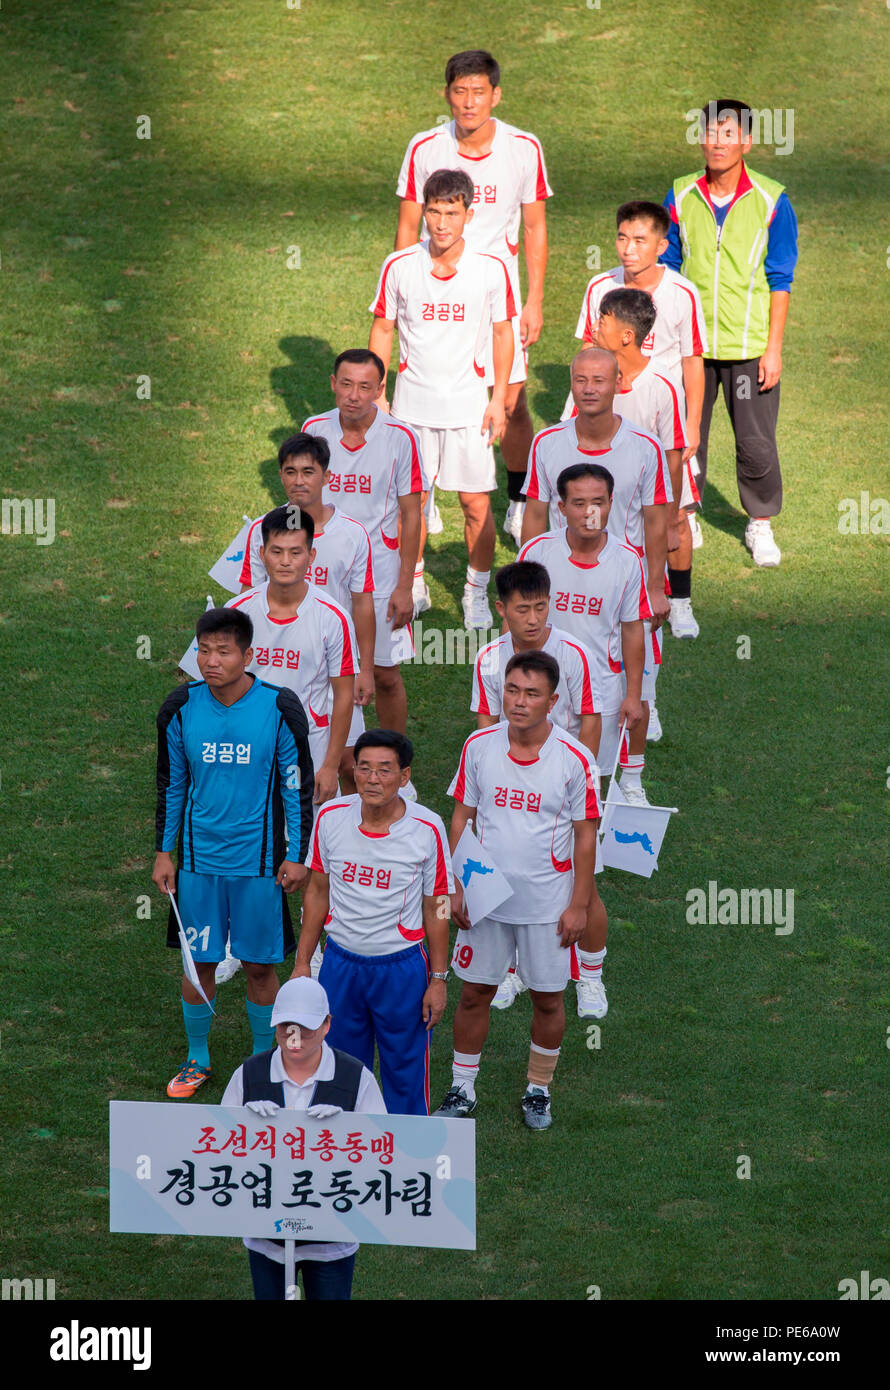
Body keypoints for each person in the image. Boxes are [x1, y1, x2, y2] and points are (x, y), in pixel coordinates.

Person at [153, 606, 314, 1097]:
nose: (211, 661)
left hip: (260, 867)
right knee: (197, 963)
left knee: (260, 966)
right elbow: (171, 784)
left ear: (249, 655)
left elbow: (297, 787)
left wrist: (298, 854)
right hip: (200, 868)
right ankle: (196, 1057)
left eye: (223, 652)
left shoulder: (278, 707)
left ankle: (263, 1064)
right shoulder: (180, 707)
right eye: (203, 650)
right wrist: (165, 852)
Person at [394, 48, 552, 548]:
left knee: (512, 401)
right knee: (429, 392)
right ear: (447, 95)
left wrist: (536, 301)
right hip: (436, 291)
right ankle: (429, 495)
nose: (468, 102)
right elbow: (406, 228)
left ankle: (519, 496)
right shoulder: (424, 148)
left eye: (478, 92)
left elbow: (535, 226)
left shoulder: (524, 148)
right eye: (459, 92)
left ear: (496, 95)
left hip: (497, 299)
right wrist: (401, 298)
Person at [435, 652, 601, 1128]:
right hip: (485, 902)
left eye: (531, 694)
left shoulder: (575, 760)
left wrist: (579, 904)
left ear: (552, 700)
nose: (519, 702)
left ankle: (538, 1089)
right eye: (512, 690)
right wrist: (458, 886)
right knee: (474, 993)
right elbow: (462, 817)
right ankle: (463, 1087)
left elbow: (586, 835)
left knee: (548, 999)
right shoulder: (479, 746)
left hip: (548, 906)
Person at [519, 464, 651, 1018]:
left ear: (613, 501)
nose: (590, 511)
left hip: (591, 721)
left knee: (583, 861)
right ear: (561, 505)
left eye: (599, 500)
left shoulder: (627, 561)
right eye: (578, 502)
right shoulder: (538, 555)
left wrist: (636, 694)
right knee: (521, 848)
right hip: (529, 712)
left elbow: (631, 630)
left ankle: (590, 974)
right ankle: (516, 970)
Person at [370, 168, 514, 629]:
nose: (441, 222)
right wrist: (378, 394)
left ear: (469, 214)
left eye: (451, 212)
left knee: (475, 504)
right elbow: (383, 329)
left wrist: (498, 397)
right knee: (408, 503)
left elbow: (502, 333)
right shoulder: (399, 266)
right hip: (412, 409)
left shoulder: (491, 270)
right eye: (433, 211)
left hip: (469, 409)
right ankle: (413, 582)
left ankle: (475, 591)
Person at [522, 347, 671, 782]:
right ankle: (546, 764)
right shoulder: (547, 442)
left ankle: (631, 779)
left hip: (622, 582)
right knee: (550, 673)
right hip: (560, 582)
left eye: (599, 381)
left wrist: (657, 586)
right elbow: (535, 510)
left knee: (634, 685)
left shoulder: (645, 448)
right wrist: (530, 582)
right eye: (581, 380)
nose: (589, 389)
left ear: (618, 383)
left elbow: (656, 517)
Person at [662, 100, 798, 566]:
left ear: (746, 141)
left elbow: (780, 278)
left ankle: (759, 522)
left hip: (748, 346)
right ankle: (686, 513)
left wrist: (773, 349)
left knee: (756, 440)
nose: (717, 142)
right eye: (709, 133)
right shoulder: (679, 195)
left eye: (727, 134)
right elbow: (668, 268)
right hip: (691, 347)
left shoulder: (771, 199)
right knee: (684, 434)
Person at [292, 730, 454, 1115]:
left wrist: (438, 978)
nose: (372, 779)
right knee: (340, 1071)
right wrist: (302, 963)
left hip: (401, 969)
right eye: (364, 768)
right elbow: (317, 892)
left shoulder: (428, 829)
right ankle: (344, 1160)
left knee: (406, 1072)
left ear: (404, 776)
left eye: (385, 770)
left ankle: (411, 1163)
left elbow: (439, 906)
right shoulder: (331, 817)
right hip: (340, 965)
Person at [471, 560, 601, 1011]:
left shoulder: (574, 654)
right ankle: (510, 971)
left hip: (565, 782)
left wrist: (577, 779)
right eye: (523, 609)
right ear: (501, 608)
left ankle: (589, 975)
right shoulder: (489, 659)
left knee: (585, 885)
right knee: (504, 871)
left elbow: (590, 721)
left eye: (541, 607)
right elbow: (484, 728)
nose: (533, 618)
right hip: (508, 780)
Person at [221, 976, 386, 1301]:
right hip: (266, 1236)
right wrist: (245, 1126)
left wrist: (347, 1134)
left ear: (327, 1025)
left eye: (304, 1030)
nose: (294, 1039)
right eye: (286, 1029)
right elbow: (218, 1149)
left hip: (331, 1240)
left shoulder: (356, 1079)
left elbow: (382, 1155)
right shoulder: (249, 1074)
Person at [238, 432, 376, 791]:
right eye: (290, 471)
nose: (299, 480)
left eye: (308, 471)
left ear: (326, 475)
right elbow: (246, 598)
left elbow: (362, 603)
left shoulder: (352, 534)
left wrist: (366, 668)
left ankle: (346, 833)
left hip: (335, 656)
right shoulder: (260, 530)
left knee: (346, 761)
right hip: (280, 658)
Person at [301, 349, 424, 754]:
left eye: (365, 387)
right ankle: (325, 753)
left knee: (385, 675)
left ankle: (395, 764)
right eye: (347, 384)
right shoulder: (314, 429)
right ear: (333, 383)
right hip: (322, 571)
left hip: (381, 574)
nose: (354, 395)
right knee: (320, 665)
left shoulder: (401, 438)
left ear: (380, 389)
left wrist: (407, 585)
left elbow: (411, 513)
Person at [226, 505, 358, 810]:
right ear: (261, 554)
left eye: (296, 552)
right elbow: (217, 686)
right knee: (248, 838)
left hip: (308, 747)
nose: (286, 561)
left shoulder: (334, 618)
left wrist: (329, 766)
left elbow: (343, 695)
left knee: (304, 847)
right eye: (277, 551)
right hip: (246, 745)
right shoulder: (236, 611)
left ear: (311, 557)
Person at [594, 287, 698, 644]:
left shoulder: (662, 384)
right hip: (602, 498)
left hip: (645, 503)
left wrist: (669, 520)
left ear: (626, 335)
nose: (594, 326)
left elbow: (673, 457)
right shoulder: (593, 376)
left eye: (602, 320)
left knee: (641, 589)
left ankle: (674, 606)